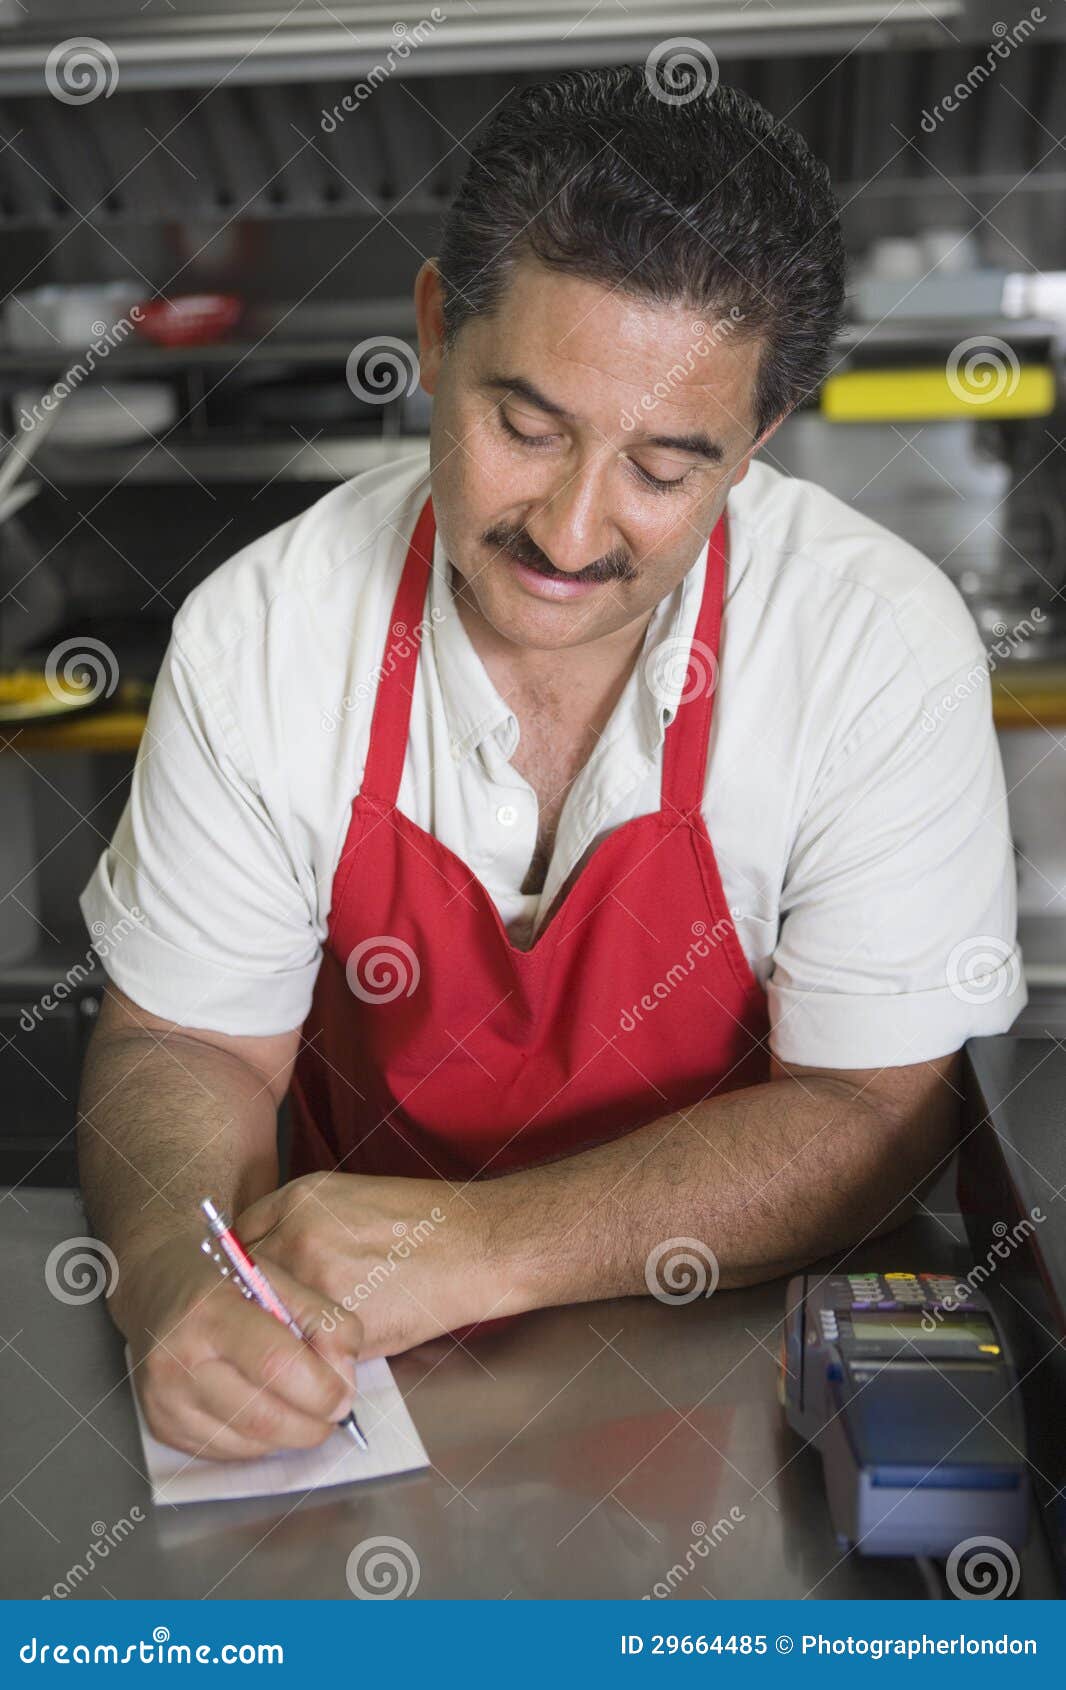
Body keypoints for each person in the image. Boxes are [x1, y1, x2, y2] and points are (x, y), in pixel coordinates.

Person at [77, 67, 1024, 1461]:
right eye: (526, 426)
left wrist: (486, 1244)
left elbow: (875, 1111)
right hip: (345, 1374)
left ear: (755, 440)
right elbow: (185, 1040)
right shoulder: (263, 636)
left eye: (663, 465)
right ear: (431, 331)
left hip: (741, 1387)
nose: (571, 530)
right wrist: (169, 1267)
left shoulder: (871, 645)